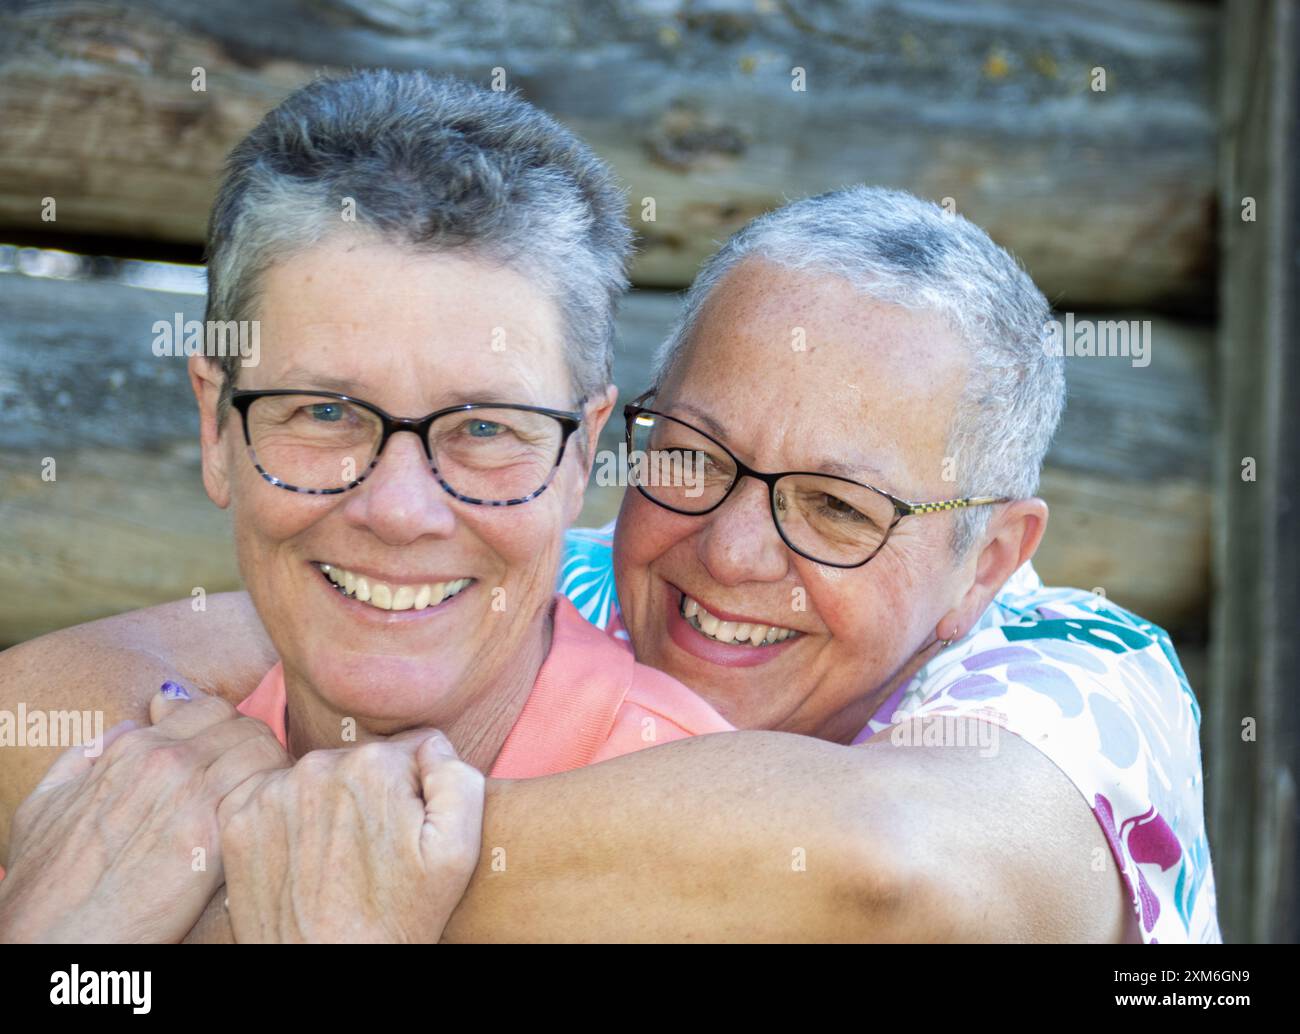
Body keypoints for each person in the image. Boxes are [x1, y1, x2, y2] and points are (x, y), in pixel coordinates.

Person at [0, 88, 1220, 941]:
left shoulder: (1081, 672)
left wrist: (224, 886)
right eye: (691, 459)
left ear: (986, 557)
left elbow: (889, 868)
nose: (733, 551)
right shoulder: (546, 565)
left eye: (838, 508)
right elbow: (260, 618)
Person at [0, 69, 731, 943]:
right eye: (325, 412)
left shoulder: (721, 845)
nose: (398, 508)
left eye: (486, 427)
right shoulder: (110, 813)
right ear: (214, 427)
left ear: (582, 453)